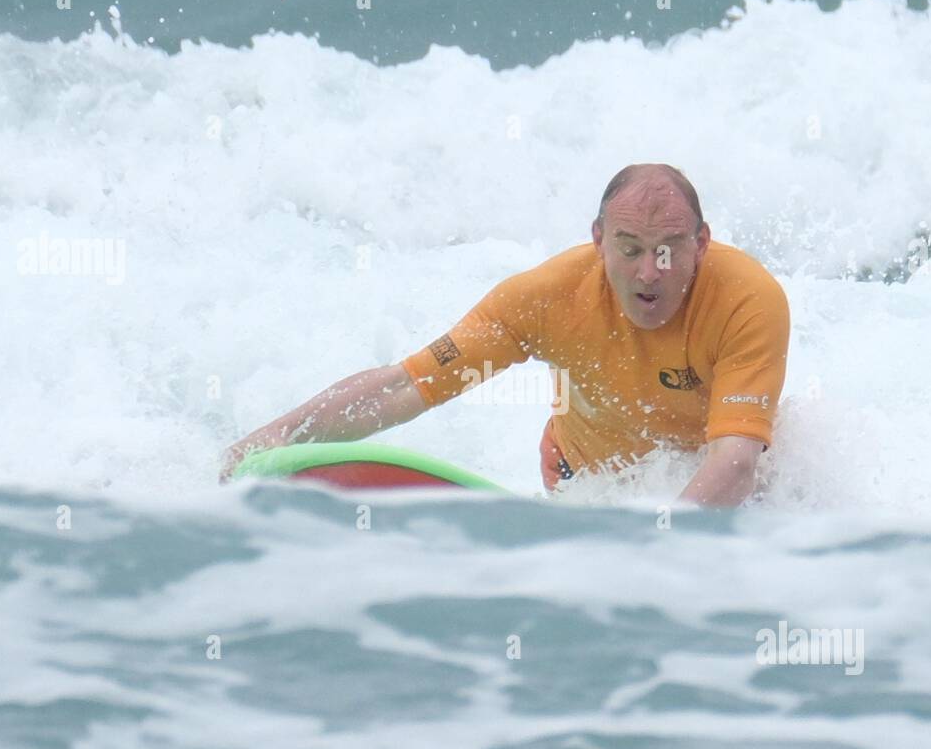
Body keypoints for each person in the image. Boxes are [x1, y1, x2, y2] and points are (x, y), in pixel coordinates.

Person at [221, 163, 790, 507]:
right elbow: (403, 386)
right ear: (598, 239)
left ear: (702, 242)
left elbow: (735, 464)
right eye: (630, 249)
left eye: (668, 249)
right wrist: (269, 442)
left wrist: (654, 550)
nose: (649, 272)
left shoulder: (746, 301)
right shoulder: (547, 298)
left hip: (723, 491)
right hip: (585, 481)